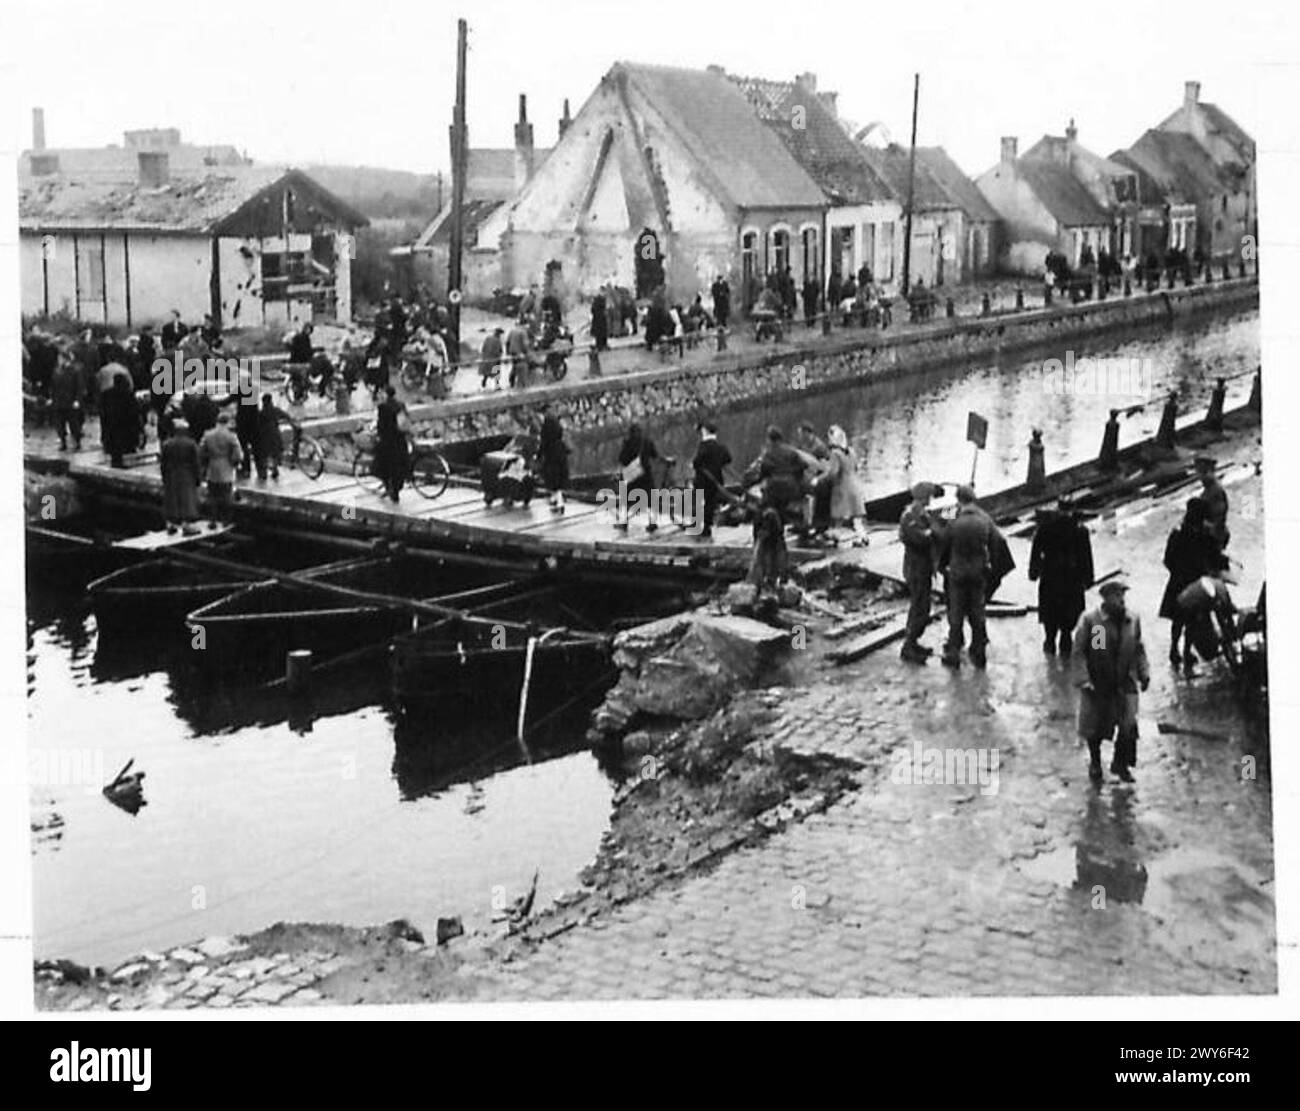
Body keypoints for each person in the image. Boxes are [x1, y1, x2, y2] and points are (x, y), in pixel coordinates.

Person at [1072, 577, 1150, 784]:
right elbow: (1084, 651)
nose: (1121, 600)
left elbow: (1138, 647)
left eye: (1122, 595)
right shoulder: (1095, 621)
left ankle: (1121, 764)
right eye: (1116, 595)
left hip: (1126, 679)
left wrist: (1144, 672)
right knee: (1096, 725)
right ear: (1106, 598)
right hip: (1100, 680)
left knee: (1128, 725)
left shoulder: (1132, 619)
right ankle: (1095, 761)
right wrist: (1084, 679)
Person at [1159, 496, 1228, 668]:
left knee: (1179, 619)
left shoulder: (1178, 533)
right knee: (1192, 619)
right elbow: (1214, 556)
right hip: (1196, 582)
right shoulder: (1202, 535)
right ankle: (1185, 651)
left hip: (1178, 582)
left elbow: (1167, 559)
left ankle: (1175, 649)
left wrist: (1177, 571)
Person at [938, 485, 1002, 669]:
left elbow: (943, 537)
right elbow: (998, 541)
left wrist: (942, 567)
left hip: (957, 573)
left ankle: (953, 653)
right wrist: (992, 566)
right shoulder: (984, 518)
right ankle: (979, 652)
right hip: (978, 572)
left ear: (959, 499)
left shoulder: (954, 518)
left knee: (956, 612)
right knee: (977, 612)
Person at [1028, 496, 1095, 656]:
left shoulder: (1045, 527)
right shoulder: (1080, 530)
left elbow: (1035, 552)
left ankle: (1050, 644)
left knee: (1050, 613)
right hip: (1072, 579)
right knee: (1069, 615)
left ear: (1058, 508)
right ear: (1073, 510)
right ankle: (1065, 643)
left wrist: (1034, 572)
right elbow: (1086, 557)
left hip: (1050, 576)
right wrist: (1088, 578)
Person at [899, 481, 941, 663]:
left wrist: (957, 507)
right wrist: (934, 533)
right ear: (923, 497)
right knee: (919, 606)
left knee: (923, 606)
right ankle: (908, 645)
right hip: (915, 567)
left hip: (923, 567)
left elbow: (941, 519)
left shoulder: (923, 513)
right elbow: (920, 538)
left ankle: (914, 641)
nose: (930, 499)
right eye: (928, 496)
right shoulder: (910, 516)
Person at [748, 425, 807, 524]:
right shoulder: (791, 451)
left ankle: (764, 527)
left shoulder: (768, 454)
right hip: (791, 488)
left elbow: (763, 472)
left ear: (769, 439)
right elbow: (803, 465)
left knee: (761, 508)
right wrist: (795, 476)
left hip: (774, 489)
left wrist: (755, 481)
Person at [198, 411, 242, 526]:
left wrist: (205, 462)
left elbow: (201, 451)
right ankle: (226, 520)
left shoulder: (208, 434)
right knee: (226, 495)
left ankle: (212, 520)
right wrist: (235, 463)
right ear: (228, 422)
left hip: (212, 467)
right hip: (226, 467)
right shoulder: (231, 436)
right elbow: (238, 454)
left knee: (212, 495)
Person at [615, 422, 660, 532]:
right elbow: (655, 455)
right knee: (651, 500)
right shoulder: (647, 442)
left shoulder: (628, 442)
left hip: (632, 476)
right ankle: (652, 523)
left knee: (625, 499)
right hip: (646, 474)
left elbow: (622, 459)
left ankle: (623, 522)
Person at [159, 419, 201, 534]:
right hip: (187, 475)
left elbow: (163, 463)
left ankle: (171, 525)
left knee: (172, 500)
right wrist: (198, 478)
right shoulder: (191, 444)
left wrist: (164, 477)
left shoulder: (167, 444)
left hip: (171, 475)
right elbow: (196, 463)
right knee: (187, 500)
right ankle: (187, 525)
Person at [691, 421, 732, 539]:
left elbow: (696, 462)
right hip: (716, 480)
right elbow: (728, 459)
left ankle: (696, 524)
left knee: (697, 501)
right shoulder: (721, 447)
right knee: (710, 503)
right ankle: (707, 527)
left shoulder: (703, 446)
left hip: (702, 480)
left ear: (706, 432)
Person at [824, 425, 866, 538]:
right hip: (855, 486)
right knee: (856, 516)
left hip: (842, 488)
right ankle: (863, 537)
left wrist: (823, 478)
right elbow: (856, 467)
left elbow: (834, 472)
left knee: (839, 517)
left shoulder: (835, 453)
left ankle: (836, 537)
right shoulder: (851, 451)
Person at [375, 386, 410, 502]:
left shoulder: (383, 407)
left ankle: (388, 487)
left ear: (386, 394)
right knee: (399, 466)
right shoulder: (401, 405)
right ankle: (396, 489)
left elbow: (381, 425)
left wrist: (378, 434)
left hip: (388, 441)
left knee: (384, 465)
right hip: (400, 440)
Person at [49, 353, 86, 452]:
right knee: (59, 424)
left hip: (70, 401)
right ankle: (63, 442)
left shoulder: (74, 371)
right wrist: (52, 397)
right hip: (59, 401)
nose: (59, 361)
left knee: (73, 424)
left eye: (60, 359)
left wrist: (77, 400)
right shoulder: (57, 371)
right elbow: (53, 386)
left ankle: (77, 441)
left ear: (65, 359)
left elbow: (79, 387)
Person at [100, 375, 139, 468]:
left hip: (111, 425)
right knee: (124, 445)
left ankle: (116, 462)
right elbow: (134, 412)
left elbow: (102, 411)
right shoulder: (128, 394)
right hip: (125, 425)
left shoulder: (106, 394)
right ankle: (122, 463)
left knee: (115, 448)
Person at [537, 404, 570, 513]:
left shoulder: (547, 423)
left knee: (553, 478)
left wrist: (539, 454)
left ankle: (559, 502)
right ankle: (556, 500)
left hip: (551, 455)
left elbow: (544, 441)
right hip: (560, 452)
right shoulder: (556, 421)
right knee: (558, 478)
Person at [255, 393, 294, 480]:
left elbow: (256, 425)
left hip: (264, 436)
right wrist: (291, 422)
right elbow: (286, 416)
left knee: (264, 455)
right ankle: (275, 469)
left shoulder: (261, 413)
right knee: (275, 454)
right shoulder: (275, 410)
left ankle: (264, 473)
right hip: (275, 435)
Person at [1195, 455, 1229, 550]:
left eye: (1203, 472)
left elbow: (1218, 519)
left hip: (1213, 537)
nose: (1200, 476)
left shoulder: (1215, 491)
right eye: (1199, 472)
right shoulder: (1208, 490)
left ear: (1211, 472)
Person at [506, 320, 533, 388]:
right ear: (524, 325)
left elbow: (507, 342)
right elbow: (525, 344)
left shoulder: (512, 331)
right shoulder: (523, 332)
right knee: (523, 366)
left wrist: (507, 352)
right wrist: (527, 352)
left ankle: (511, 380)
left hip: (512, 352)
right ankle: (523, 383)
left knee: (515, 365)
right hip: (519, 352)